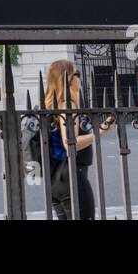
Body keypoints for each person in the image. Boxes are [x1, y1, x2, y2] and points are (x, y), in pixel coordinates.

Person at [44, 60, 112, 220]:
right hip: (72, 177)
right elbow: (70, 143)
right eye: (77, 74)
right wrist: (101, 132)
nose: (80, 78)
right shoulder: (68, 104)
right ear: (68, 78)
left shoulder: (51, 105)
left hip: (55, 179)